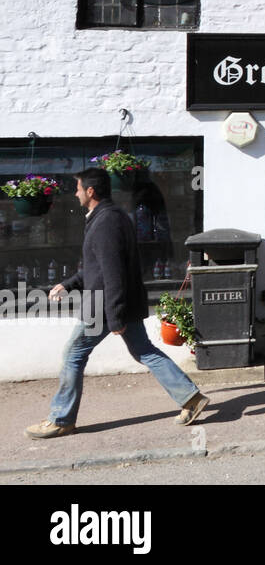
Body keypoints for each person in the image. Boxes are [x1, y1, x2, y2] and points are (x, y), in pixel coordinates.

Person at [25, 167, 209, 439]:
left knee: (73, 356)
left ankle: (61, 419)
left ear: (90, 191)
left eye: (77, 189)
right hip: (118, 303)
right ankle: (191, 399)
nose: (75, 194)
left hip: (103, 307)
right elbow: (96, 267)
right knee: (144, 351)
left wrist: (115, 317)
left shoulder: (106, 222)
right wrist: (69, 283)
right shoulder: (108, 217)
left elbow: (113, 274)